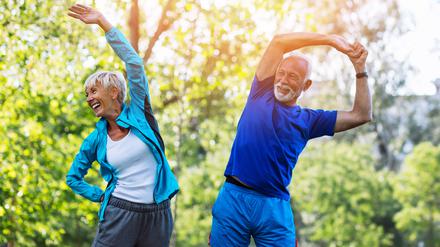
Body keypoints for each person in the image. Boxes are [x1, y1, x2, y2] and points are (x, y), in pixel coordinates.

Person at [210, 32, 371, 246]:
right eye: (281, 73)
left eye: (293, 77)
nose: (284, 81)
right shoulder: (260, 92)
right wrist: (331, 40)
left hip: (274, 209)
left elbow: (361, 114)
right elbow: (278, 41)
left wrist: (360, 69)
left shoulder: (310, 120)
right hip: (234, 199)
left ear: (306, 85)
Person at [65, 4, 179, 246]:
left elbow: (134, 63)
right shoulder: (96, 139)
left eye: (93, 91)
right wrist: (101, 195)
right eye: (87, 94)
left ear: (114, 91)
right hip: (119, 214)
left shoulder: (139, 113)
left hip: (158, 213)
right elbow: (73, 177)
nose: (89, 98)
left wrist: (103, 23)